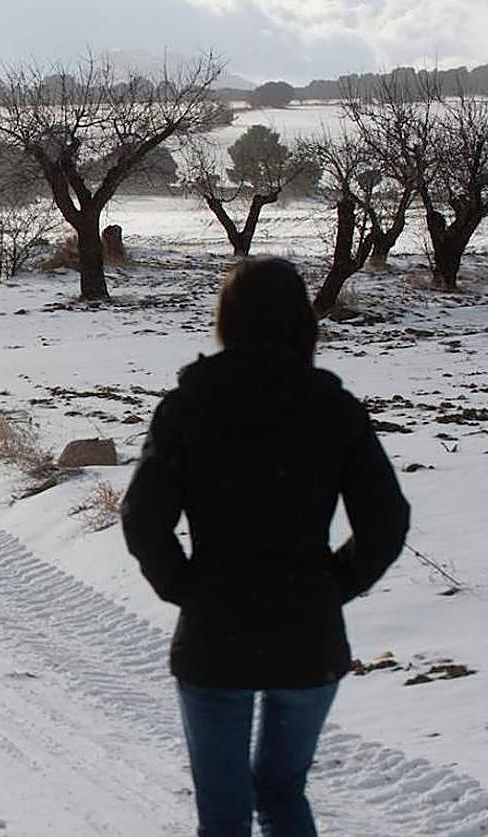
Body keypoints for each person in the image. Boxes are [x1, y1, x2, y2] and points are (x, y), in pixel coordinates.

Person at [120, 257, 410, 836]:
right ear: (303, 321)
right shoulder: (334, 408)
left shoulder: (187, 407)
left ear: (226, 320)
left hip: (215, 636)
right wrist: (331, 586)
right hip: (308, 636)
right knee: (281, 793)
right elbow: (387, 521)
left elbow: (142, 519)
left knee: (224, 814)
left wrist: (189, 589)